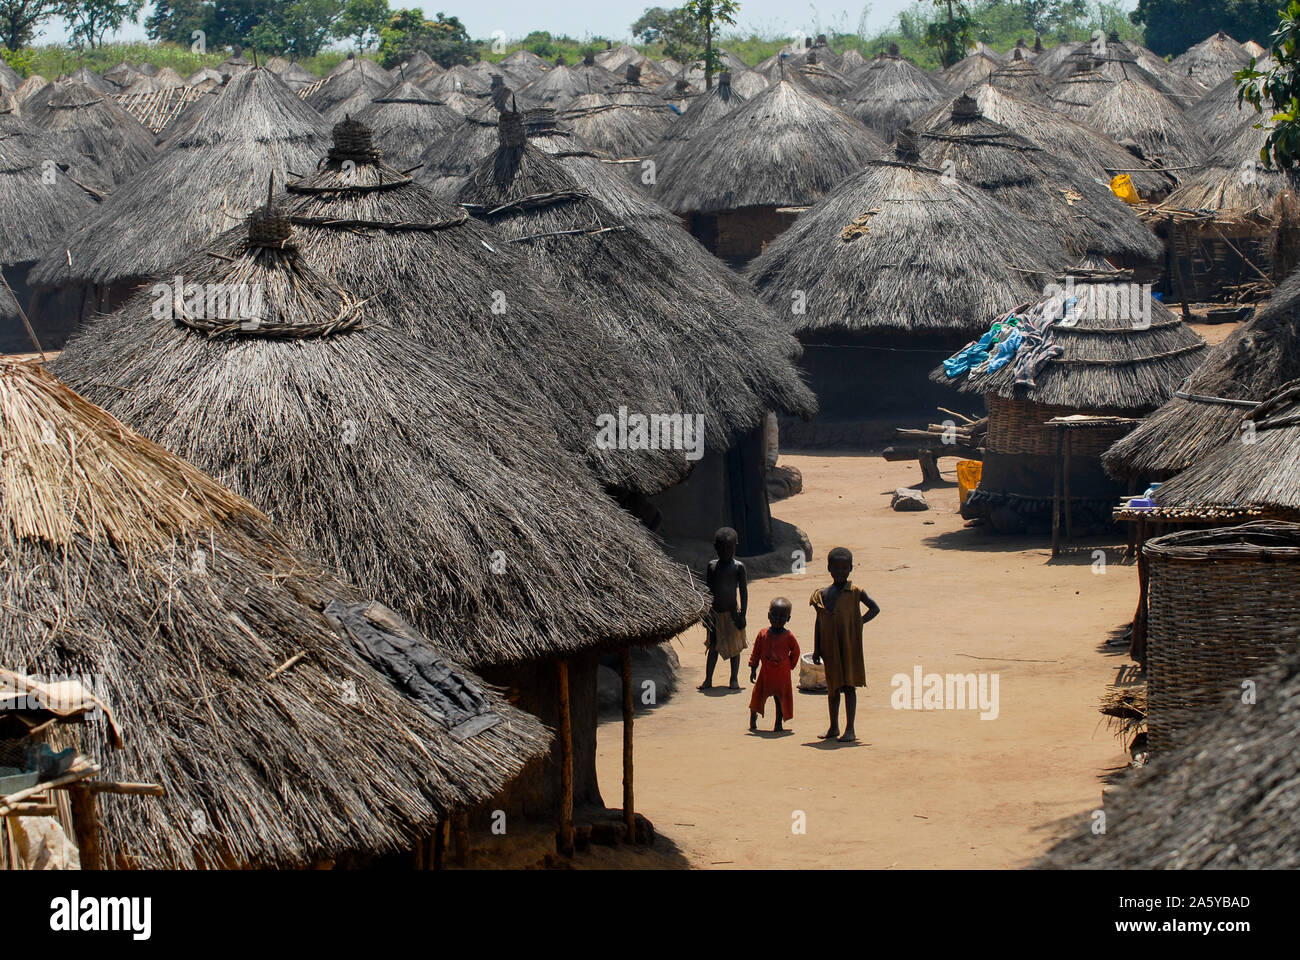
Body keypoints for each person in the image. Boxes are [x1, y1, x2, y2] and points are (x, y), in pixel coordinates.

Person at [811, 547, 880, 742]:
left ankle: (850, 729)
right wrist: (817, 648)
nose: (840, 572)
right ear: (829, 568)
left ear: (850, 568)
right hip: (830, 647)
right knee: (833, 687)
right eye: (836, 568)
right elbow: (819, 621)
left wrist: (858, 623)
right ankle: (834, 726)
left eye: (844, 568)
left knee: (849, 686)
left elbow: (875, 608)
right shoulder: (822, 594)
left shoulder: (856, 592)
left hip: (850, 646)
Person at [701, 527, 747, 690]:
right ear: (716, 548)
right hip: (715, 614)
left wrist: (743, 615)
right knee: (713, 647)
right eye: (722, 548)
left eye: (730, 548)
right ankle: (708, 679)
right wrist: (706, 613)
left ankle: (733, 679)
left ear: (736, 547)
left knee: (735, 648)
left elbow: (743, 592)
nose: (726, 552)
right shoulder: (712, 566)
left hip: (733, 613)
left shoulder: (738, 567)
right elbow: (707, 590)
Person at [749, 598, 800, 731]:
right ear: (768, 615)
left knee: (780, 698)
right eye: (774, 615)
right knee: (757, 696)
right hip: (765, 673)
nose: (777, 619)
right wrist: (753, 668)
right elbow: (756, 651)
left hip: (781, 674)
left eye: (782, 616)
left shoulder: (789, 636)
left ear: (788, 619)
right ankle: (753, 716)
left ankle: (778, 722)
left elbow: (796, 652)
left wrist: (789, 665)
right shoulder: (762, 634)